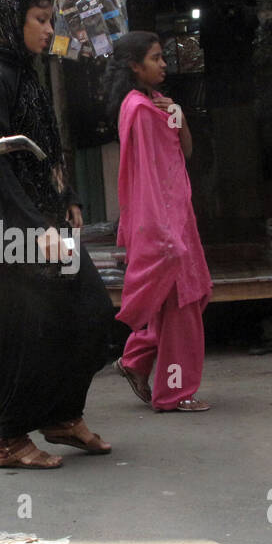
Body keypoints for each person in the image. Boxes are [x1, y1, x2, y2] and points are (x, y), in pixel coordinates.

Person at [0, 0, 115, 469]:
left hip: (43, 220)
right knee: (20, 330)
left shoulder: (27, 75)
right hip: (8, 226)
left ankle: (61, 416)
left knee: (89, 312)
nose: (50, 30)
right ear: (15, 22)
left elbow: (47, 150)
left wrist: (66, 197)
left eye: (51, 21)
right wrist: (33, 227)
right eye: (40, 20)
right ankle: (8, 438)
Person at [103, 31, 213, 412]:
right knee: (181, 306)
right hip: (163, 223)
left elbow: (185, 150)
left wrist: (176, 113)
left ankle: (135, 361)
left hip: (177, 218)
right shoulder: (136, 109)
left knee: (187, 299)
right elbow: (145, 177)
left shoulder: (155, 103)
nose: (164, 64)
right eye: (155, 57)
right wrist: (162, 234)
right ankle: (174, 392)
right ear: (135, 65)